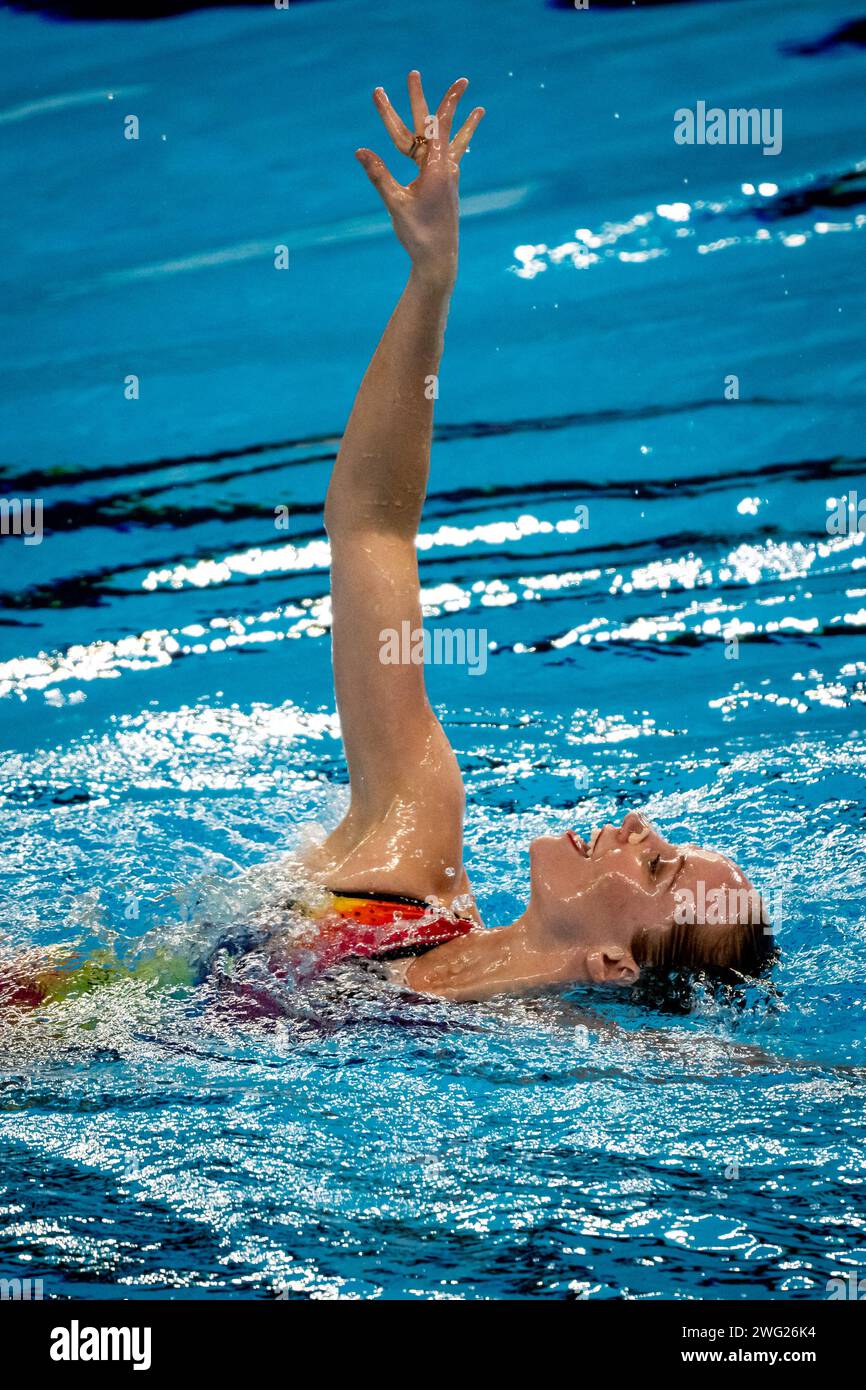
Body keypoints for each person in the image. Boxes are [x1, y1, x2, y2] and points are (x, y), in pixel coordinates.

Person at [1, 73, 773, 1017]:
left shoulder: (561, 1047)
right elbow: (371, 523)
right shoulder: (411, 832)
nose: (638, 823)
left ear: (614, 965)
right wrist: (432, 278)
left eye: (653, 865)